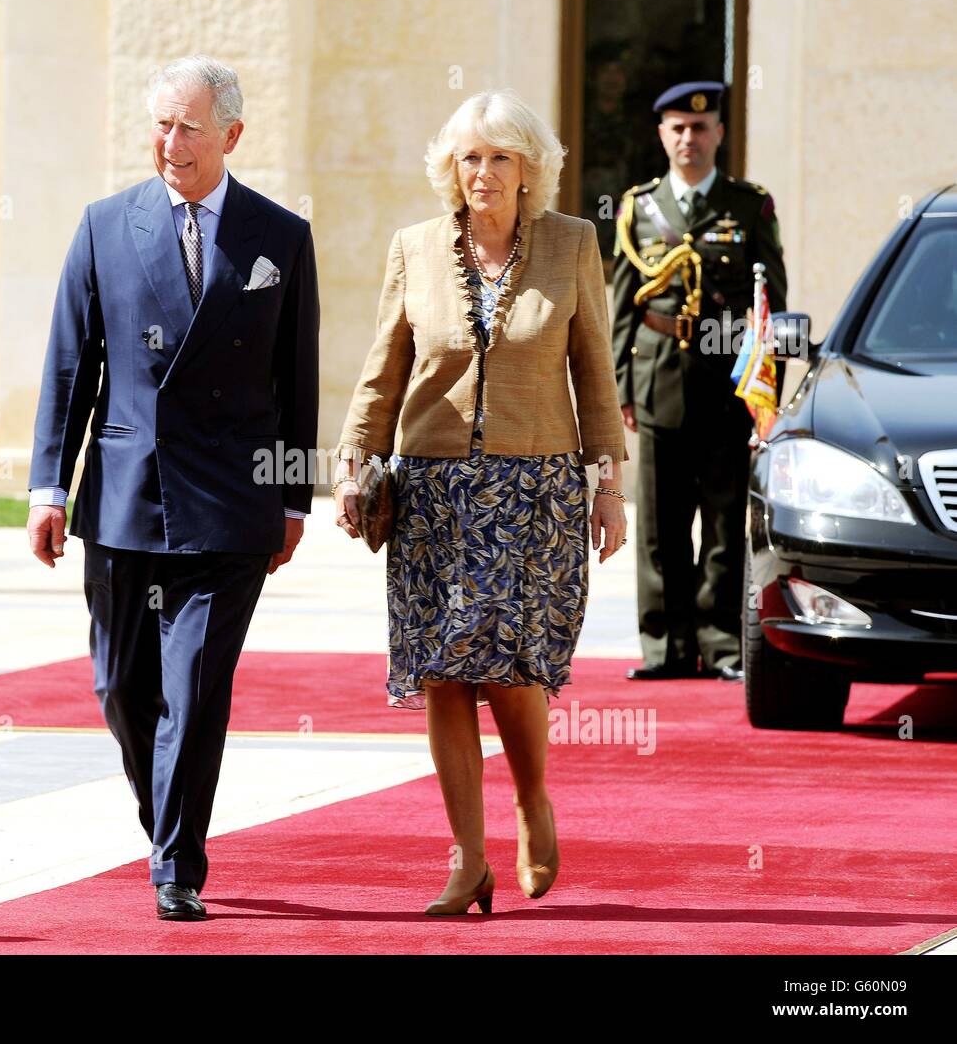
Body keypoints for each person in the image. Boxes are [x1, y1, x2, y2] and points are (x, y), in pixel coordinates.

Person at [26, 55, 318, 923]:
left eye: (189, 126)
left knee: (193, 689)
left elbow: (296, 379)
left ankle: (176, 865)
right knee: (121, 687)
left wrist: (292, 496)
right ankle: (167, 819)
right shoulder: (103, 226)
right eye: (160, 123)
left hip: (231, 506)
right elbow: (71, 366)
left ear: (232, 134)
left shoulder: (280, 235)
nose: (171, 141)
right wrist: (48, 487)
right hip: (126, 496)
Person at [334, 90, 628, 915]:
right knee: (442, 674)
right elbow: (384, 369)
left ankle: (532, 798)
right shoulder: (415, 247)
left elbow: (595, 373)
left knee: (510, 662)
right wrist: (353, 467)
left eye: (501, 157)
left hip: (533, 492)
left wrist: (609, 486)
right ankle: (467, 859)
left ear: (529, 168)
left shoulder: (573, 243)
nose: (484, 172)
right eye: (470, 157)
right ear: (450, 168)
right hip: (432, 494)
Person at [610, 81, 787, 681]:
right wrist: (621, 387)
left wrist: (767, 392)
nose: (690, 137)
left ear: (719, 134)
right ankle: (665, 647)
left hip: (728, 382)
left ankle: (722, 645)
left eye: (701, 128)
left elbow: (771, 305)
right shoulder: (640, 207)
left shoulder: (749, 205)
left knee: (724, 522)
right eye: (679, 128)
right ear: (663, 135)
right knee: (659, 524)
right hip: (657, 376)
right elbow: (623, 307)